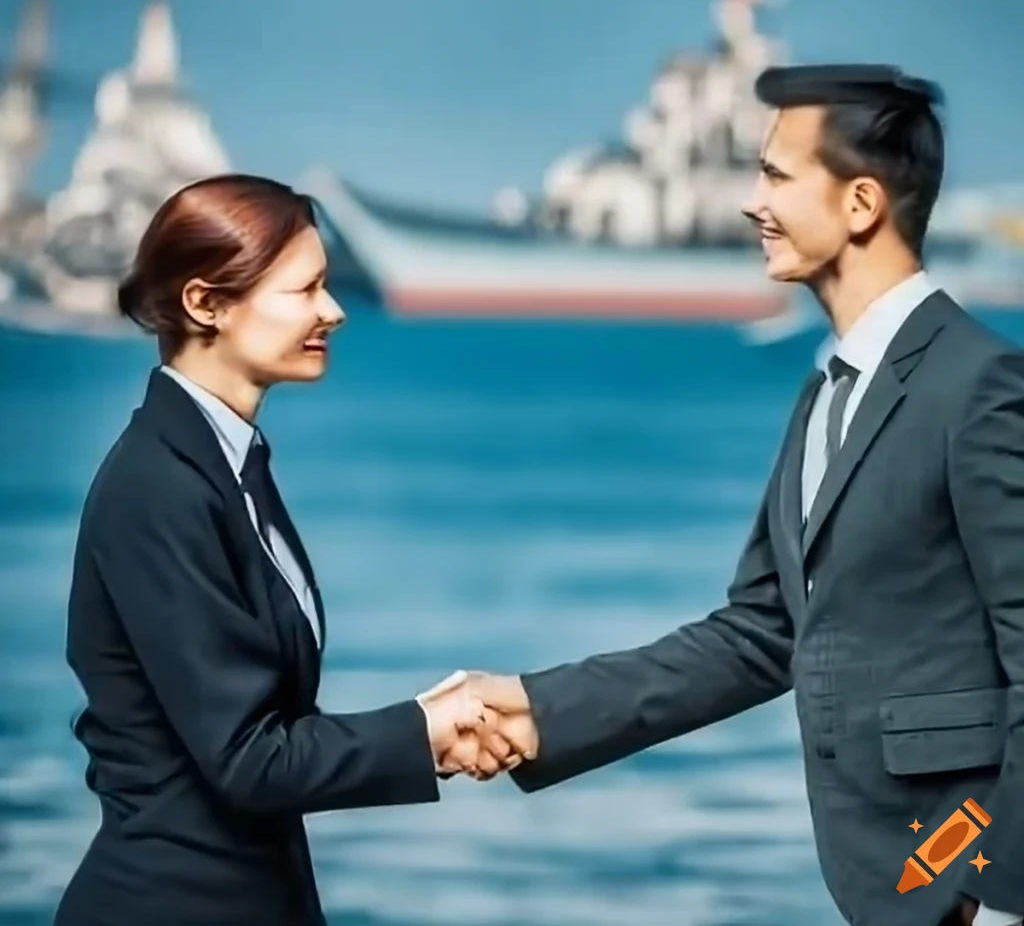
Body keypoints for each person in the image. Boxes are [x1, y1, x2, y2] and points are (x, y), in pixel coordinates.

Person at [453, 66, 1024, 926]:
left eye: (776, 175)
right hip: (884, 883)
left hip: (961, 881)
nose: (752, 203)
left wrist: (1001, 900)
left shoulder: (979, 385)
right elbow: (762, 632)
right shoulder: (829, 390)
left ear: (861, 203)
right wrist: (541, 711)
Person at [55, 174, 516, 926]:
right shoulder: (158, 487)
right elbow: (249, 760)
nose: (333, 310)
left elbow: (263, 731)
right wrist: (424, 731)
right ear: (206, 304)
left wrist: (427, 720)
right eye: (304, 290)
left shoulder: (230, 466)